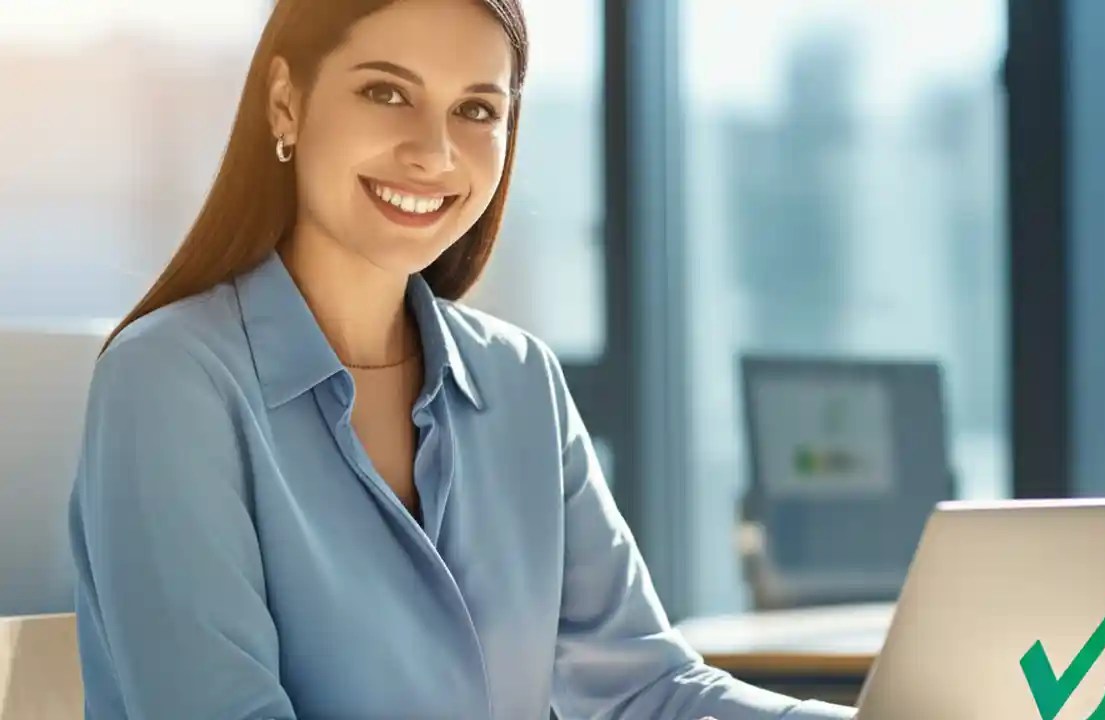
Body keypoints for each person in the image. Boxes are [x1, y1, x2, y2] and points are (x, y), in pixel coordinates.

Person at [66, 1, 857, 718]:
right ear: (286, 102)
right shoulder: (170, 383)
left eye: (476, 109)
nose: (434, 152)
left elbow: (644, 686)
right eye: (386, 93)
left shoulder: (520, 382)